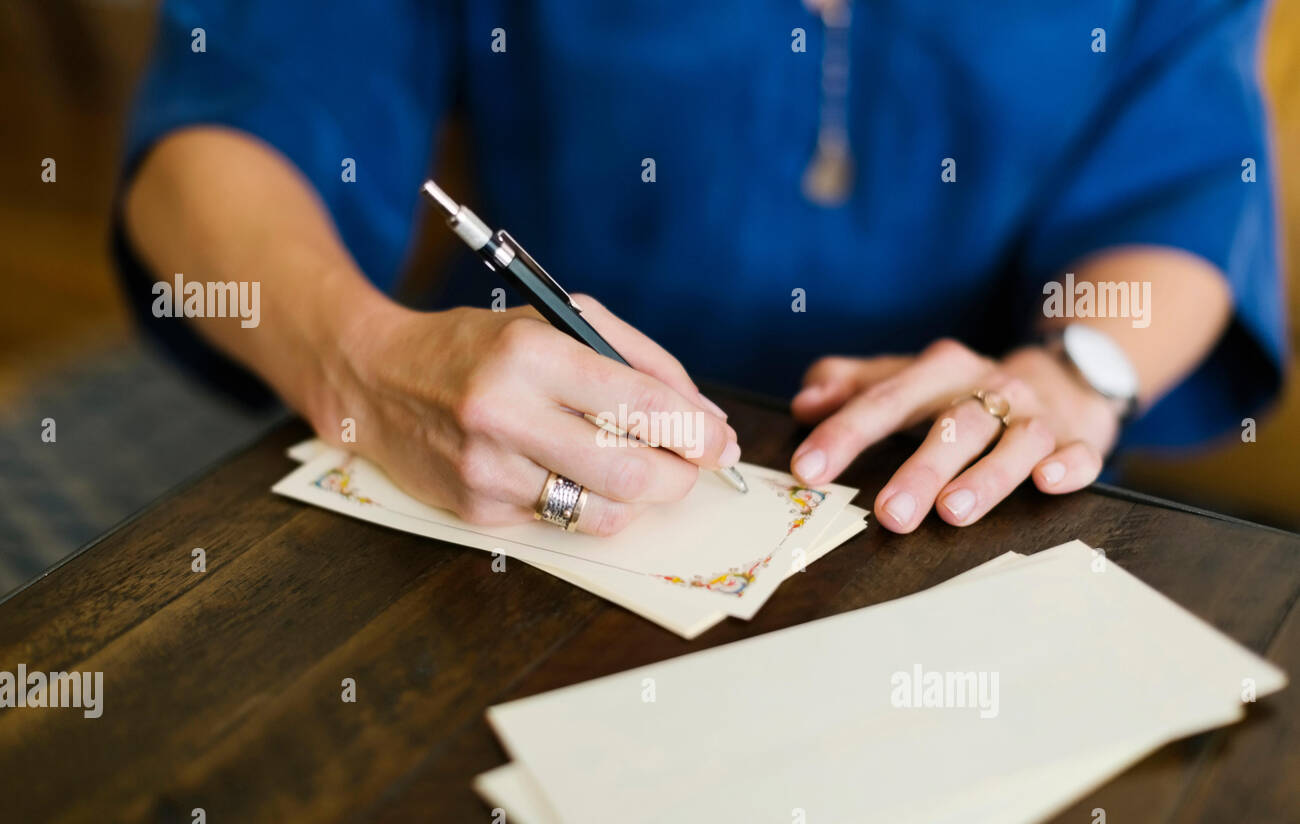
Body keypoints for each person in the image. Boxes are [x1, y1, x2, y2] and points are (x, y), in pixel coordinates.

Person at [116, 0, 1285, 536]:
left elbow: (1187, 177)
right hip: (504, 461)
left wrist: (1076, 369)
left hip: (948, 495)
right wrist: (354, 357)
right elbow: (233, 116)